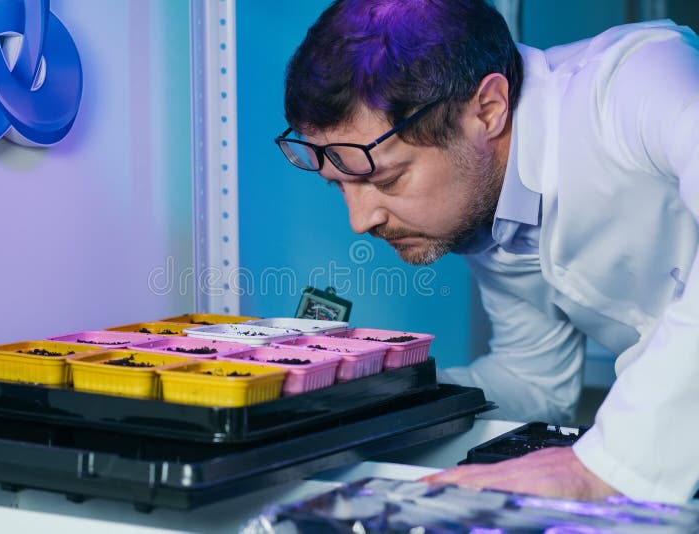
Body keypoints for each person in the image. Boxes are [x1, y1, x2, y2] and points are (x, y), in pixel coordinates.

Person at [274, 0, 699, 504]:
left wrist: (606, 467)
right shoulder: (486, 203)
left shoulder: (639, 80)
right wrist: (380, 396)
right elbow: (534, 380)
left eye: (385, 178)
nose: (361, 220)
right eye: (338, 187)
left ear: (488, 109)